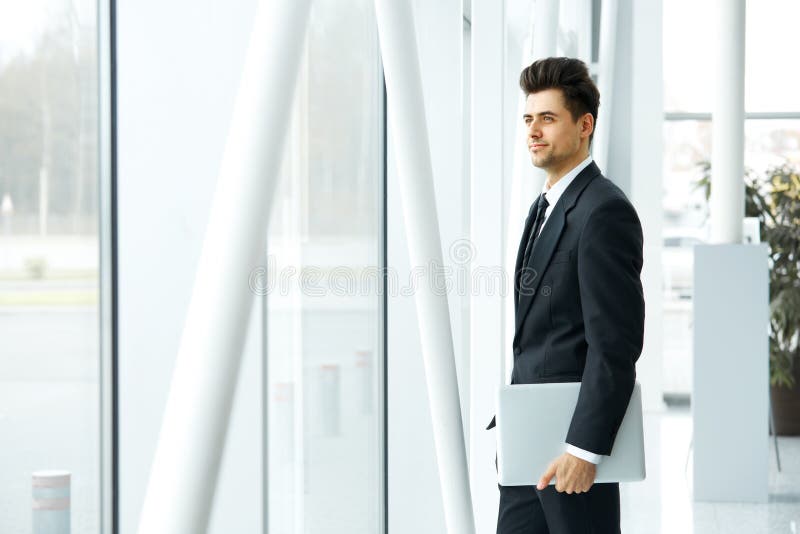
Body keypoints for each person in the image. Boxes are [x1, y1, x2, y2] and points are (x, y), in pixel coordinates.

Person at [487, 57, 645, 533]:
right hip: (529, 446)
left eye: (548, 118)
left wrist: (584, 451)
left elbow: (614, 345)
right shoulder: (545, 205)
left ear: (584, 125)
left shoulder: (604, 212)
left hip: (570, 454)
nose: (533, 131)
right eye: (529, 119)